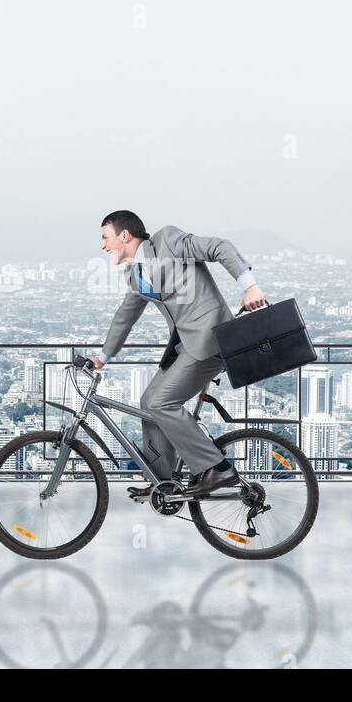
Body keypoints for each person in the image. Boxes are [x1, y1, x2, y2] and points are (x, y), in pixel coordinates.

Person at [89, 210, 267, 497]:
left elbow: (218, 247)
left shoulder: (167, 242)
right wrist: (102, 357)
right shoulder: (136, 277)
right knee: (148, 402)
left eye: (105, 237)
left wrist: (250, 286)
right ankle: (163, 481)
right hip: (186, 347)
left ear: (124, 235)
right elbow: (125, 316)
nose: (103, 245)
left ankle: (216, 468)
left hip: (210, 341)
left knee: (160, 403)